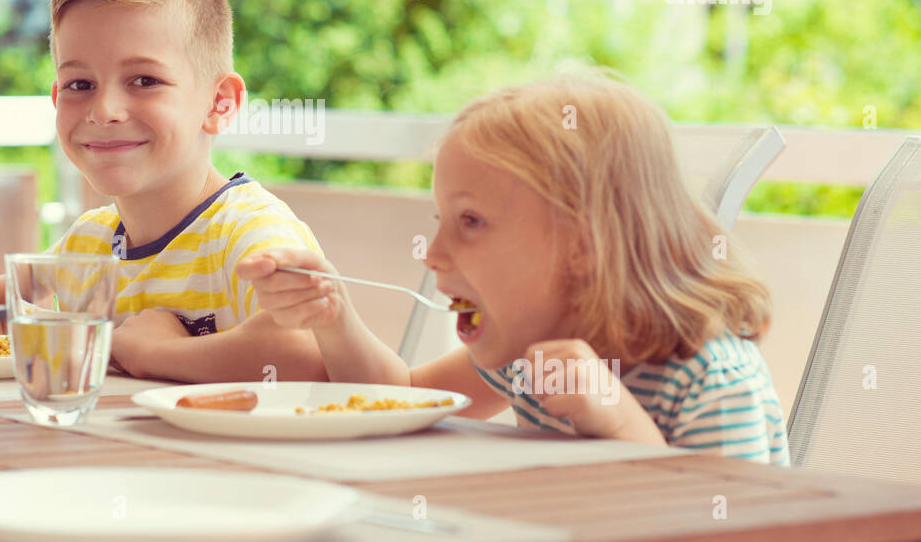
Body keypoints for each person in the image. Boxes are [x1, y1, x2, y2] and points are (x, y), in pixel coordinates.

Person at [237, 73, 790, 464]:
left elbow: (724, 537)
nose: (432, 253)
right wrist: (332, 314)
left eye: (471, 221)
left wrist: (618, 421)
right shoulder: (531, 350)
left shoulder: (710, 380)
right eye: (442, 219)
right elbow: (402, 399)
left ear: (582, 246)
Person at [0, 0, 327, 383]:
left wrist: (154, 354)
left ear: (218, 103)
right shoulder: (90, 243)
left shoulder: (248, 233)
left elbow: (306, 355)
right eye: (79, 84)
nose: (103, 109)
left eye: (145, 80)